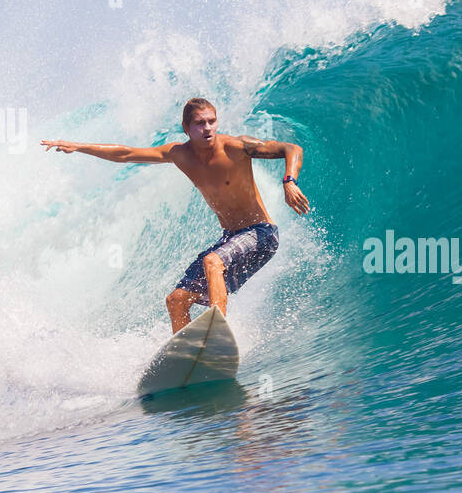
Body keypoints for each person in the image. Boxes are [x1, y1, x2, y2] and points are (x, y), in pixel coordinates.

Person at [42, 97, 308, 332]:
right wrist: (78, 146)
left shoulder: (236, 147)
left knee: (213, 262)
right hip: (232, 237)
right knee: (176, 300)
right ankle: (190, 355)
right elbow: (126, 153)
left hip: (261, 233)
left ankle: (217, 333)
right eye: (200, 124)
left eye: (212, 121)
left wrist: (289, 181)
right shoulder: (179, 154)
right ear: (187, 128)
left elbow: (292, 149)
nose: (208, 129)